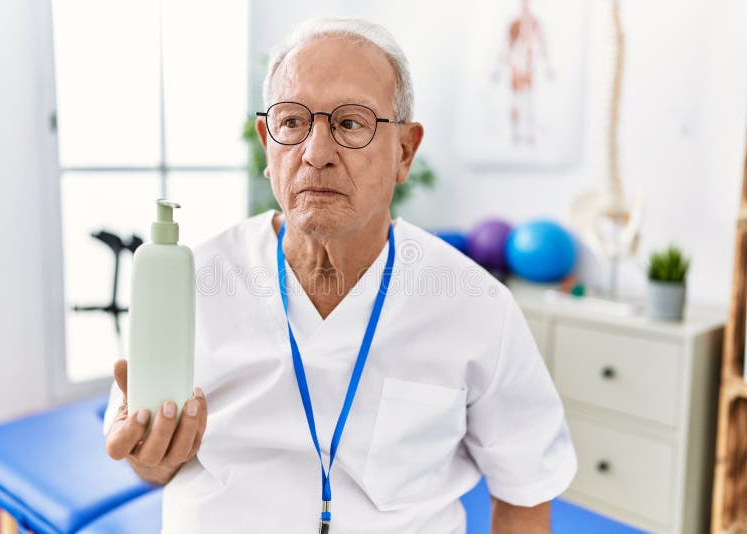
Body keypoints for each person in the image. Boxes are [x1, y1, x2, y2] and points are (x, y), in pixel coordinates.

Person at [104, 17, 576, 534]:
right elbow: (151, 465)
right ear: (268, 142)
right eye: (292, 123)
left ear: (405, 152)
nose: (317, 154)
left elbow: (525, 492)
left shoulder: (476, 305)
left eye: (351, 123)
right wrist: (152, 457)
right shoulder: (193, 280)